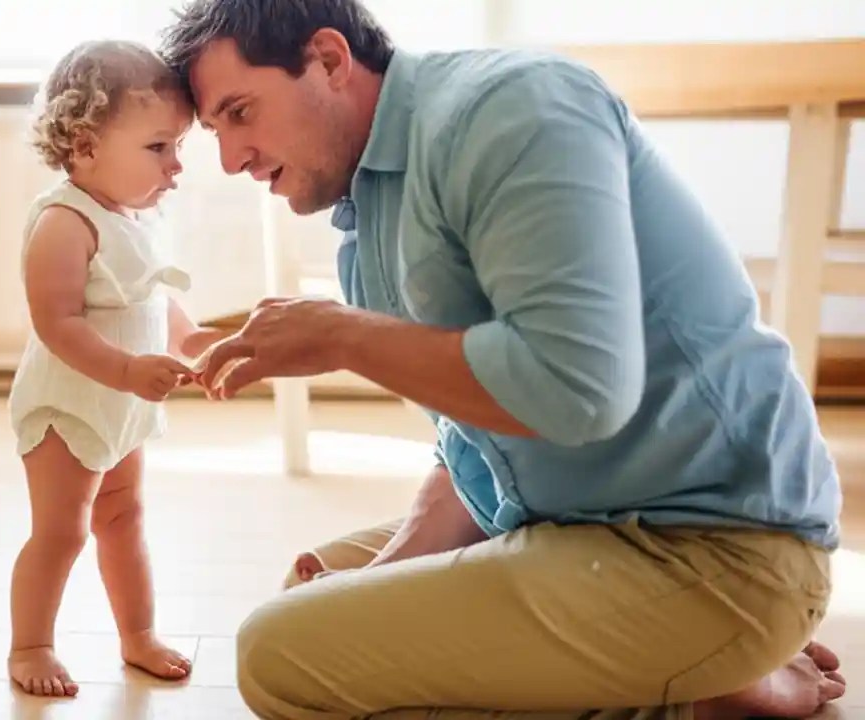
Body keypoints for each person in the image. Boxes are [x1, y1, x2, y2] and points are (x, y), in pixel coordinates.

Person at [160, 1, 846, 718]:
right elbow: (475, 445)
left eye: (241, 113)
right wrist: (376, 578)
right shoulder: (369, 225)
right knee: (315, 593)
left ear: (329, 59)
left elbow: (577, 389)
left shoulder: (509, 111)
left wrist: (339, 336)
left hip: (715, 552)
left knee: (280, 656)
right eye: (215, 132)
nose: (232, 160)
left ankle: (700, 695)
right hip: (572, 522)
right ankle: (696, 670)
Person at [6, 39, 227, 697]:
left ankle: (137, 635)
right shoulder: (63, 222)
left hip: (120, 408)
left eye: (178, 147)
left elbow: (151, 293)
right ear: (83, 145)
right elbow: (59, 323)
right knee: (63, 530)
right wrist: (130, 371)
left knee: (125, 519)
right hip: (67, 409)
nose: (177, 165)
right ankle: (31, 644)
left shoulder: (133, 214)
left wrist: (196, 341)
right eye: (158, 147)